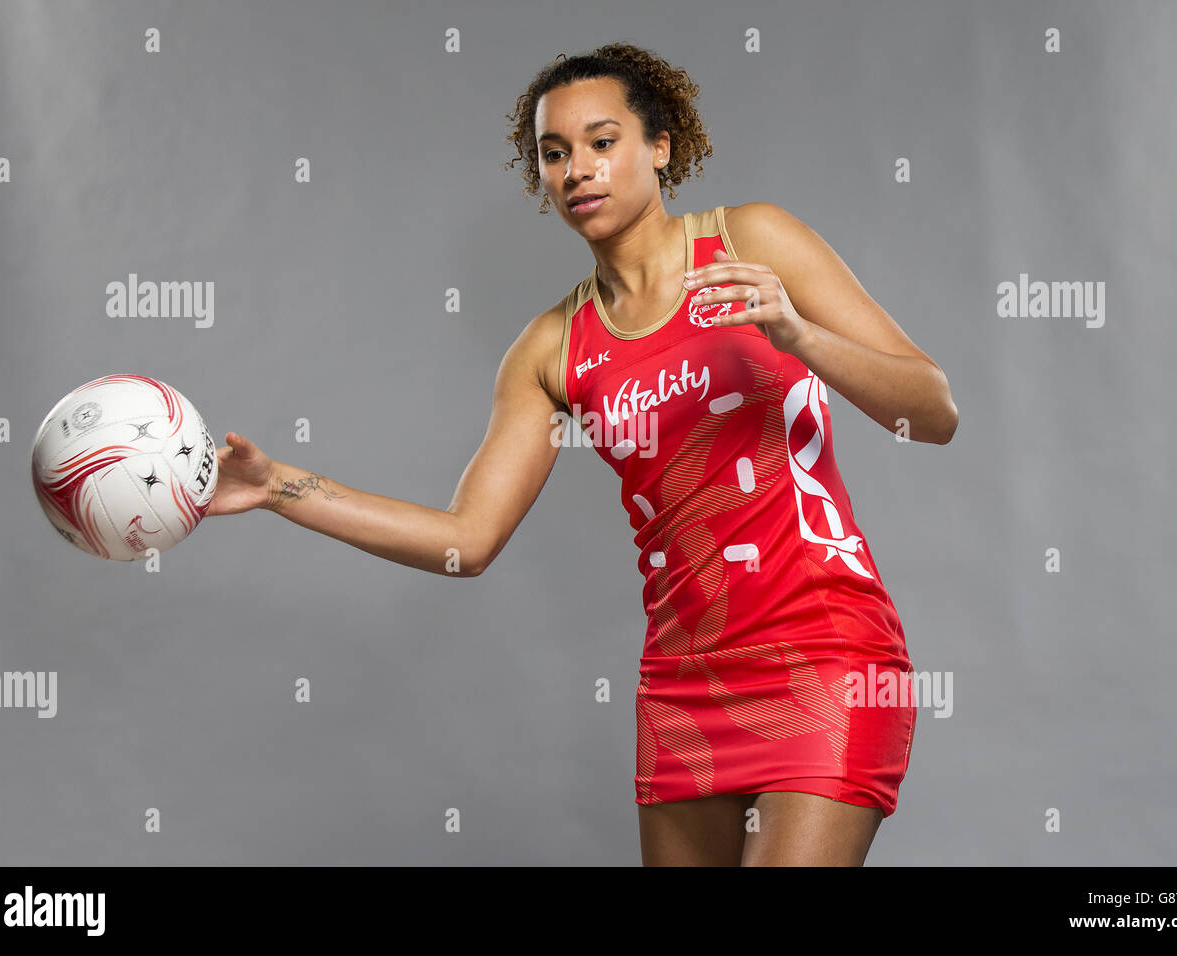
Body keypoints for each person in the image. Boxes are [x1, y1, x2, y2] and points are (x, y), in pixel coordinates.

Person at [207, 42, 958, 866]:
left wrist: (799, 334)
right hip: (684, 684)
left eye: (603, 143)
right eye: (554, 154)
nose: (578, 171)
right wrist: (278, 484)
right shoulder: (552, 349)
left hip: (827, 651)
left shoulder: (753, 241)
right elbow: (468, 540)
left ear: (660, 146)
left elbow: (932, 411)